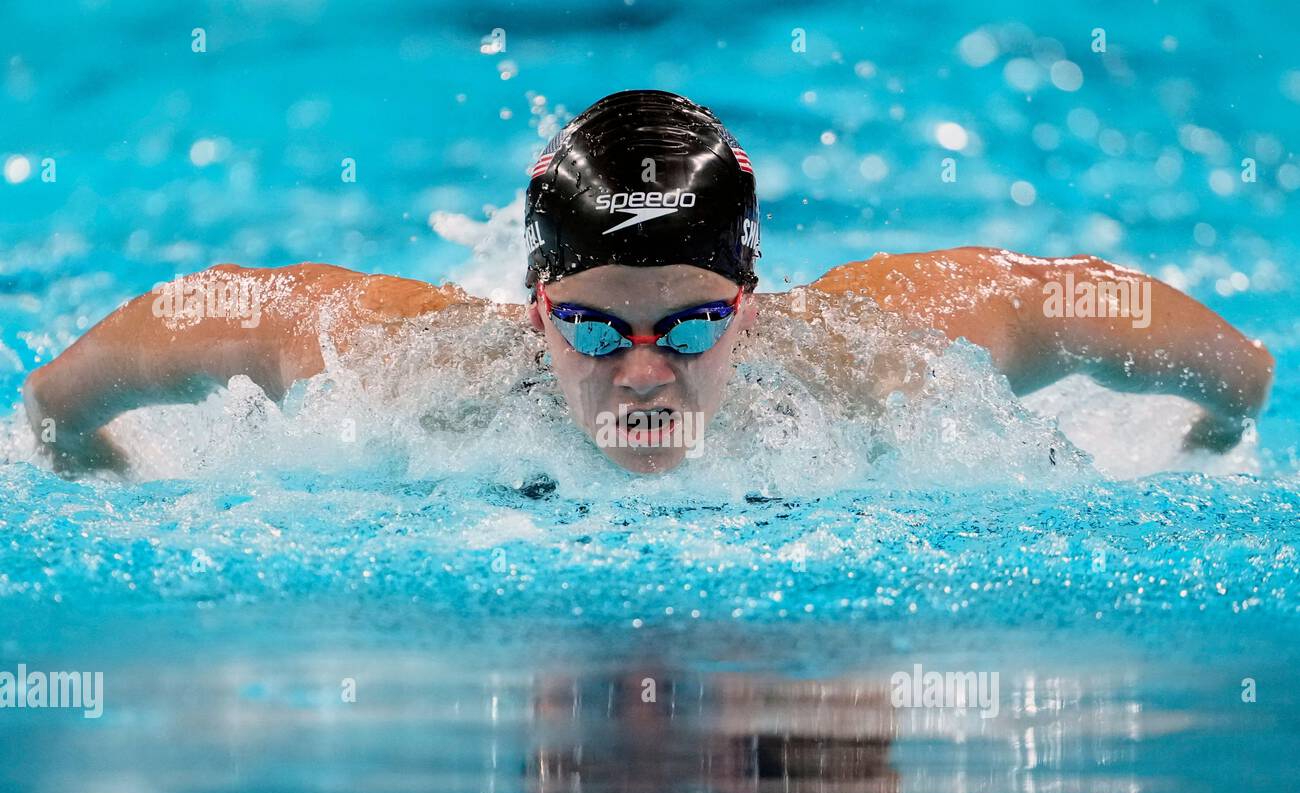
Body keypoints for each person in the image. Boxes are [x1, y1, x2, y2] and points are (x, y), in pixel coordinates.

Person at [22, 90, 1275, 476]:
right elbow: (127, 358)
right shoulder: (399, 368)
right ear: (531, 309)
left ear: (753, 303)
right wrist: (80, 458)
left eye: (688, 325)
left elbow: (1227, 364)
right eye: (586, 324)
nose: (637, 370)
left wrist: (1208, 442)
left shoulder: (882, 355)